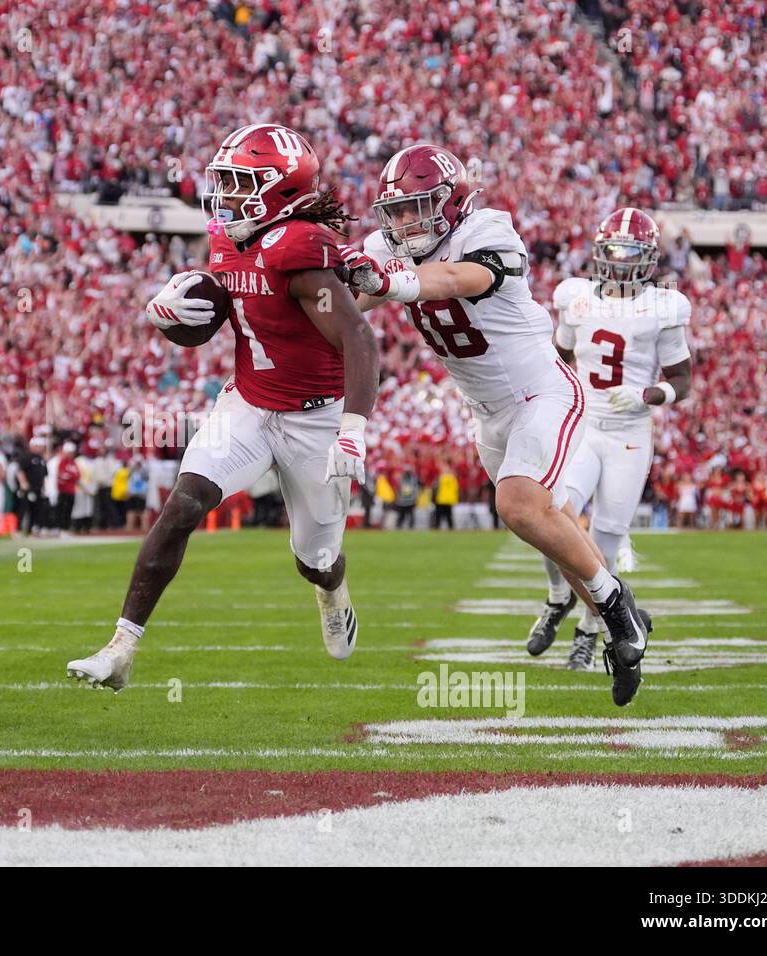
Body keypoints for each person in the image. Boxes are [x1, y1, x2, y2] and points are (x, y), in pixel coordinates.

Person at [68, 124, 379, 690]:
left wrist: (352, 429)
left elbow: (359, 339)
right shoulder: (227, 236)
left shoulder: (301, 247)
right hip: (249, 405)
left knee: (316, 558)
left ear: (280, 190)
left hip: (316, 418)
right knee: (184, 504)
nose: (227, 196)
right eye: (227, 182)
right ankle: (120, 648)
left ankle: (332, 591)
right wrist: (183, 306)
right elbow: (232, 299)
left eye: (241, 183)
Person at [346, 144, 651, 705]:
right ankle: (621, 614)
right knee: (554, 528)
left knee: (517, 506)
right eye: (398, 212)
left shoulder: (489, 231)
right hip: (486, 413)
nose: (407, 222)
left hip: (544, 393)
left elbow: (456, 280)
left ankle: (617, 609)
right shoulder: (384, 248)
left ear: (453, 201)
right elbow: (346, 303)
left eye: (419, 208)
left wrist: (387, 279)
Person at [529, 208, 692, 670]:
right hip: (581, 428)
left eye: (631, 254)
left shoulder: (665, 306)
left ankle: (586, 630)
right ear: (599, 254)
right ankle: (558, 596)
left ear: (650, 259)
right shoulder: (575, 298)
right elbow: (557, 359)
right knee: (550, 520)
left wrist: (647, 394)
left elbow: (683, 380)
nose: (620, 263)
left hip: (628, 436)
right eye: (613, 253)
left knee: (604, 540)